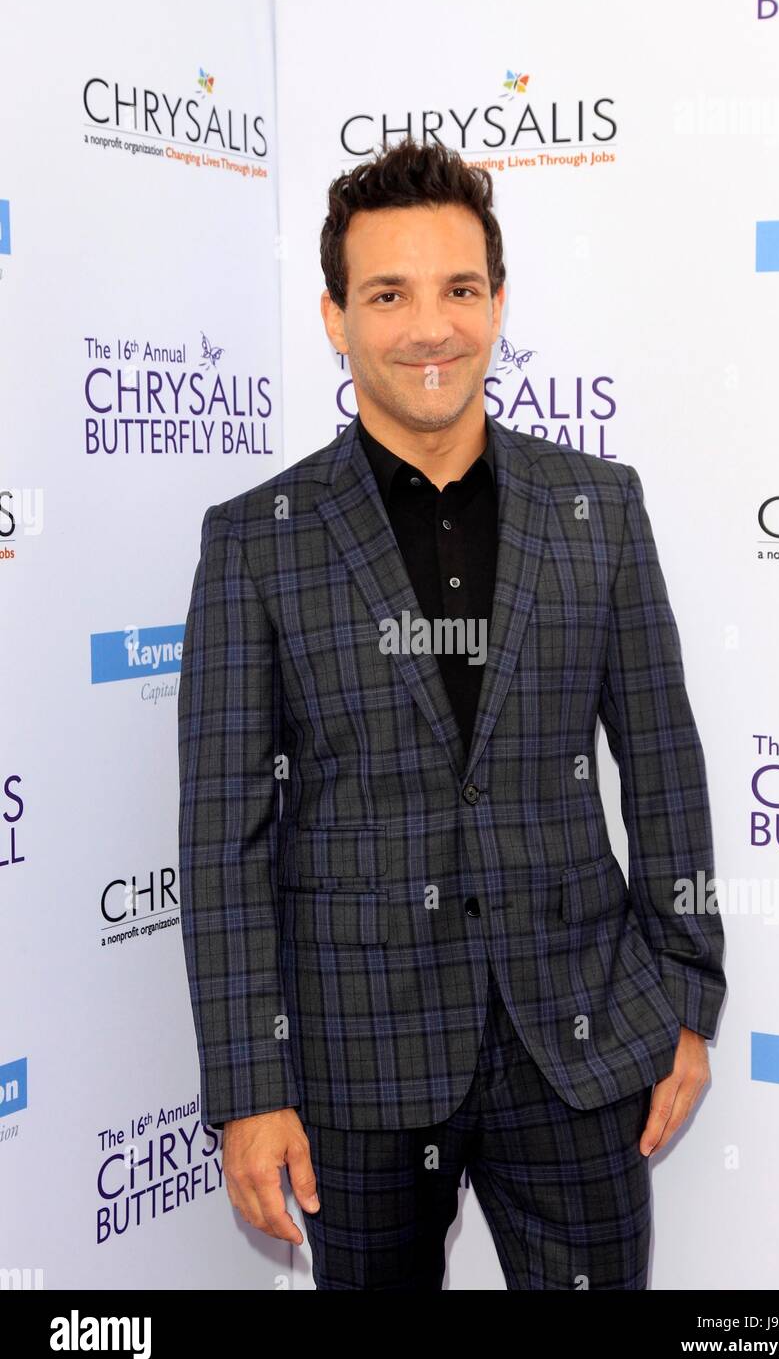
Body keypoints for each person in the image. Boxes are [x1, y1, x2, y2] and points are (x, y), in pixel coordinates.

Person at [177, 137, 726, 1290]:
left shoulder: (599, 510)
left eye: (457, 289)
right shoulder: (253, 543)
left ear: (497, 303)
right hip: (354, 1068)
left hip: (578, 1043)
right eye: (388, 294)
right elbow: (223, 840)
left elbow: (664, 765)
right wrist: (246, 1088)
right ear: (335, 317)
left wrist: (683, 993)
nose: (429, 327)